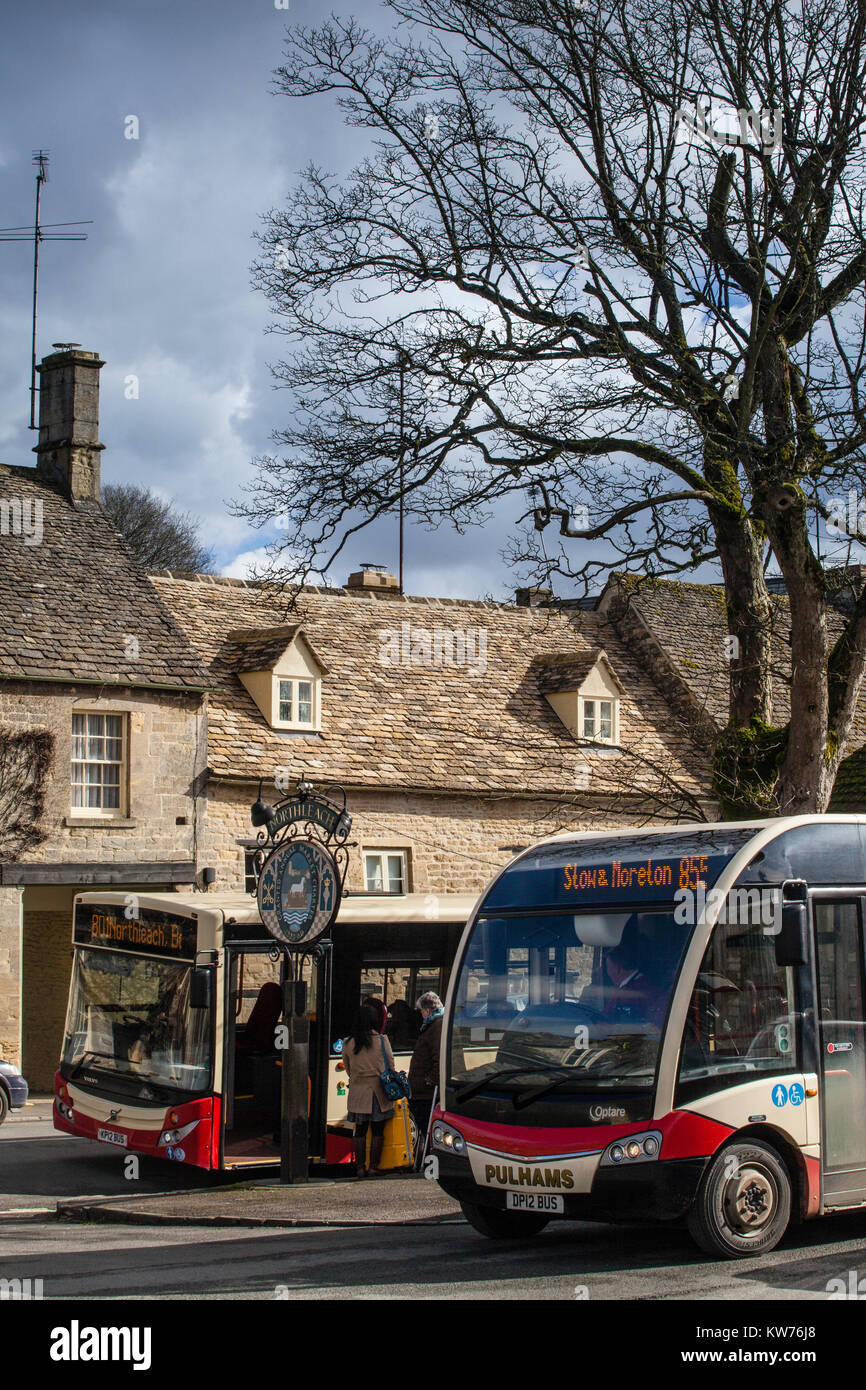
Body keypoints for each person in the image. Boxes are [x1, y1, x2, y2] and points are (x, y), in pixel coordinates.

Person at [342, 1004, 395, 1177]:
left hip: (358, 1093)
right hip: (378, 1093)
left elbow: (348, 1069)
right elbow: (391, 1065)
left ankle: (359, 1168)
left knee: (360, 1131)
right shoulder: (381, 1040)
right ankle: (373, 1167)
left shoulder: (348, 1043)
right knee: (378, 1131)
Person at [408, 991, 444, 1168]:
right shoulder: (433, 1025)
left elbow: (439, 1056)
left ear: (428, 1011)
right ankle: (430, 1164)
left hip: (426, 1091)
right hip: (422, 1089)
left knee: (427, 1128)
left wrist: (431, 1079)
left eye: (421, 1011)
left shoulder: (436, 1027)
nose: (420, 1014)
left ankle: (432, 1167)